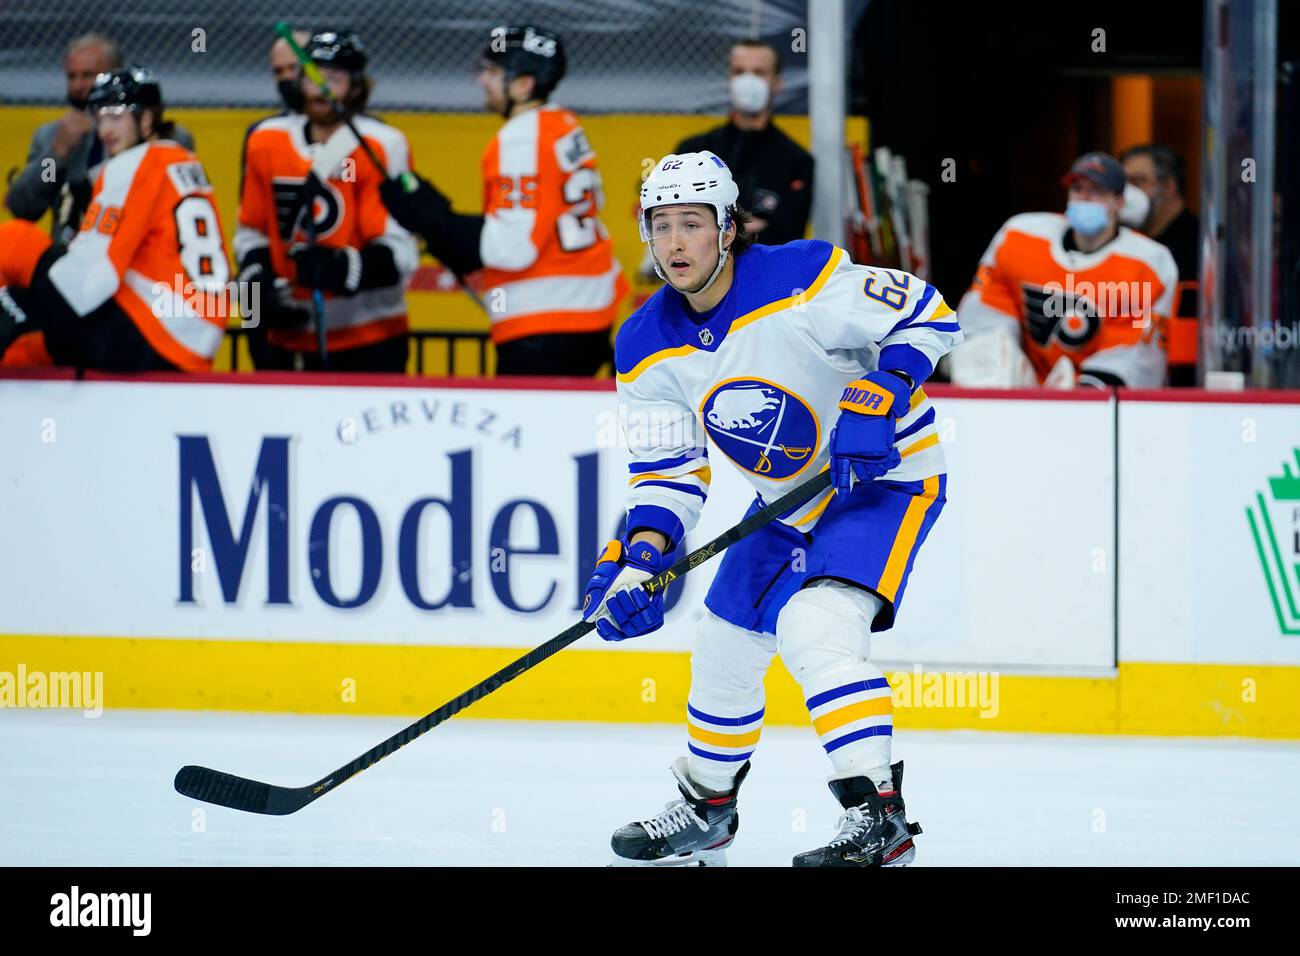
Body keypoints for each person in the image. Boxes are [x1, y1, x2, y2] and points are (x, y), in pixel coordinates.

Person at [582, 151, 960, 867]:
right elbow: (667, 476)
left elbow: (927, 313)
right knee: (723, 639)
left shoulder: (800, 275)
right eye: (660, 226)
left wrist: (884, 386)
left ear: (728, 228)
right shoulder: (641, 345)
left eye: (692, 223)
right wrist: (636, 561)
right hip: (786, 505)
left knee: (814, 625)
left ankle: (881, 820)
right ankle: (706, 808)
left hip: (885, 480)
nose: (675, 243)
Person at [379, 24, 627, 376]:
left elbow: (513, 248)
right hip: (591, 312)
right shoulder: (564, 123)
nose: (483, 80)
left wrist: (432, 218)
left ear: (524, 85)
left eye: (493, 72)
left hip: (545, 324)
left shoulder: (520, 137)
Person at [0, 67, 229, 371]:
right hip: (195, 342)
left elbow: (92, 275)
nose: (105, 129)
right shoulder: (185, 160)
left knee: (15, 240)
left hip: (150, 332)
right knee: (27, 348)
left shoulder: (133, 163)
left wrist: (25, 306)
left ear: (146, 119)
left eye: (117, 116)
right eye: (101, 116)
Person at [234, 30, 418, 372]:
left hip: (369, 338)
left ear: (358, 85)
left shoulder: (380, 144)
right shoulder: (266, 140)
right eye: (312, 78)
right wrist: (258, 286)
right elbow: (252, 233)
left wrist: (340, 269)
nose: (321, 89)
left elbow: (398, 251)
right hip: (287, 336)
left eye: (333, 78)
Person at [950, 151, 1178, 388]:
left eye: (1098, 191)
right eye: (1078, 189)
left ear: (1119, 202)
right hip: (1021, 386)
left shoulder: (1148, 263)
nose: (1085, 197)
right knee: (980, 358)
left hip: (1095, 399)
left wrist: (1082, 392)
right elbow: (985, 316)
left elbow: (1133, 352)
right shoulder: (1020, 237)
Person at [5, 34, 194, 245]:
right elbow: (23, 208)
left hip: (138, 254)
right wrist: (57, 154)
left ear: (117, 75)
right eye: (72, 77)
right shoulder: (51, 136)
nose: (78, 85)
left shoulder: (166, 137)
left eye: (88, 76)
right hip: (67, 259)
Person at [671, 40, 813, 246]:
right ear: (729, 79)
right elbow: (676, 224)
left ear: (777, 83)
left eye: (758, 72)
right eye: (739, 72)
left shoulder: (797, 161)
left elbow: (786, 234)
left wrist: (711, 225)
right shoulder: (692, 151)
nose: (748, 81)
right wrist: (756, 224)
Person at [1121, 144, 1199, 284]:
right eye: (1123, 183)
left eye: (1138, 181)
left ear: (1169, 187)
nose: (1128, 193)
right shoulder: (1123, 241)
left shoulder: (1199, 246)